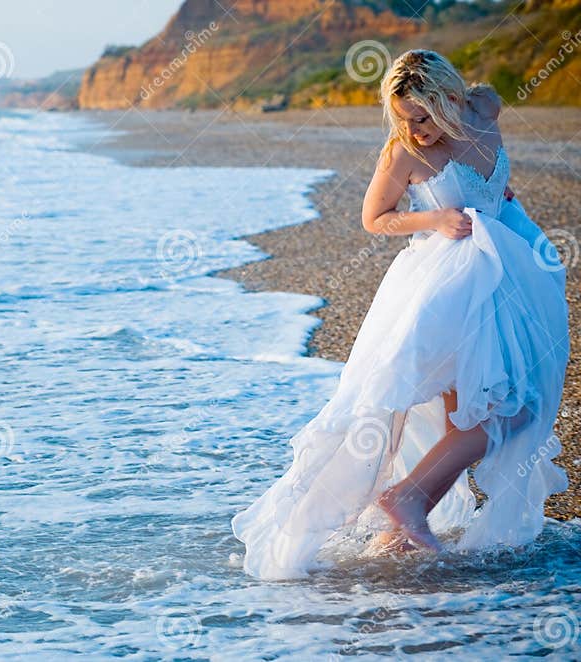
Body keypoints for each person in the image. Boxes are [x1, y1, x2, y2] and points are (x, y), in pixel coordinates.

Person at [230, 49, 570, 580]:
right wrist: (434, 217)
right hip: (450, 286)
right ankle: (405, 501)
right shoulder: (402, 155)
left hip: (506, 275)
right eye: (404, 118)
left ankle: (398, 528)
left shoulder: (483, 110)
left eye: (424, 115)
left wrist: (498, 191)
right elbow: (374, 218)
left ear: (452, 100)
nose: (415, 128)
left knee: (487, 411)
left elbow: (489, 132)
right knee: (503, 410)